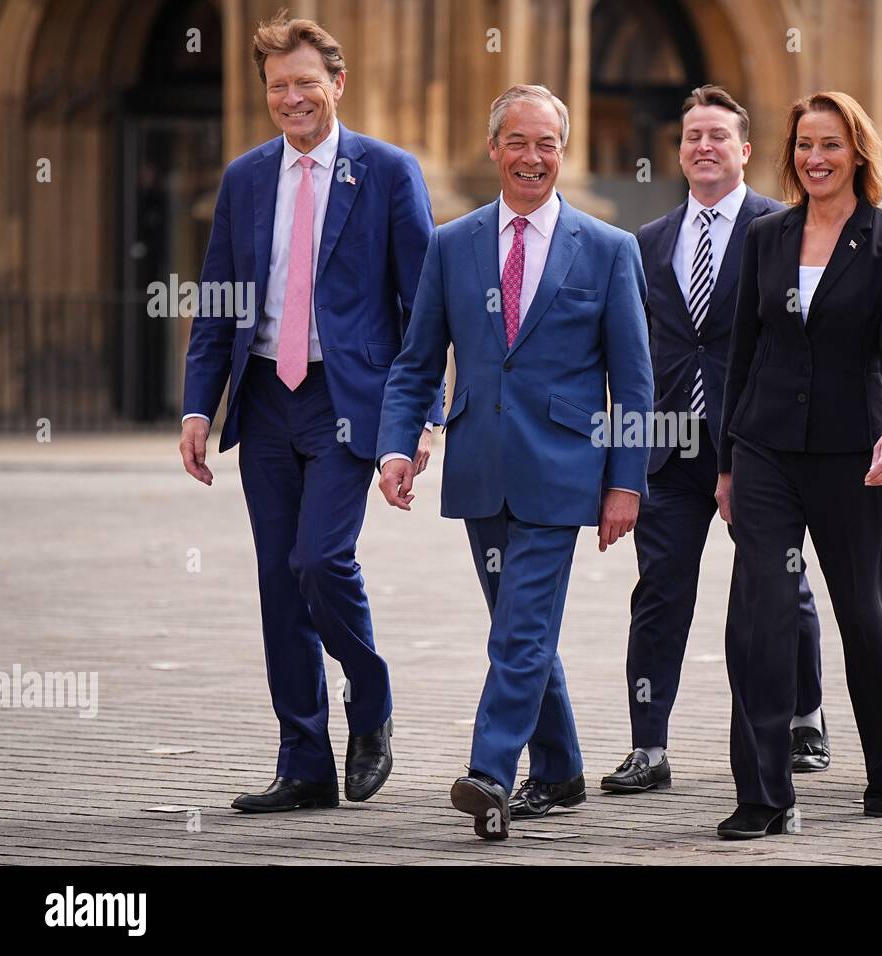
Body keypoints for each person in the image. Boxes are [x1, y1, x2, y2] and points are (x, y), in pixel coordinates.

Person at [376, 85, 653, 841]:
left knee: (519, 632)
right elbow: (416, 361)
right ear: (494, 148)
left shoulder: (607, 249)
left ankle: (491, 772)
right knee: (520, 626)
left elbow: (633, 382)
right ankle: (559, 768)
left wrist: (626, 481)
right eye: (519, 142)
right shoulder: (452, 243)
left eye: (548, 144)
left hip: (565, 471)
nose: (534, 158)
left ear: (564, 152)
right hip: (479, 466)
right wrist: (399, 443)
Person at [179, 13, 440, 813]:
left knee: (320, 561)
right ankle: (304, 764)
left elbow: (424, 308)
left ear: (338, 84)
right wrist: (199, 405)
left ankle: (372, 696)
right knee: (276, 583)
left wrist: (420, 419)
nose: (291, 99)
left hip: (345, 400)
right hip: (263, 397)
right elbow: (219, 297)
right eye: (277, 86)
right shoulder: (245, 177)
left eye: (304, 83)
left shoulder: (389, 172)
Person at [600, 85, 829, 797]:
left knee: (779, 586)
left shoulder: (781, 228)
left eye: (718, 136)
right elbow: (633, 358)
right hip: (669, 449)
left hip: (756, 445)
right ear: (680, 150)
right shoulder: (649, 242)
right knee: (659, 594)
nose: (704, 146)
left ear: (745, 150)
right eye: (692, 135)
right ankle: (649, 746)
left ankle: (804, 720)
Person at [715, 91, 882, 838]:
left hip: (856, 453)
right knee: (760, 617)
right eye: (806, 144)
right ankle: (764, 794)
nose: (816, 157)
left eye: (831, 144)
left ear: (858, 153)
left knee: (863, 615)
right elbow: (743, 352)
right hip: (766, 447)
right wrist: (726, 463)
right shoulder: (768, 237)